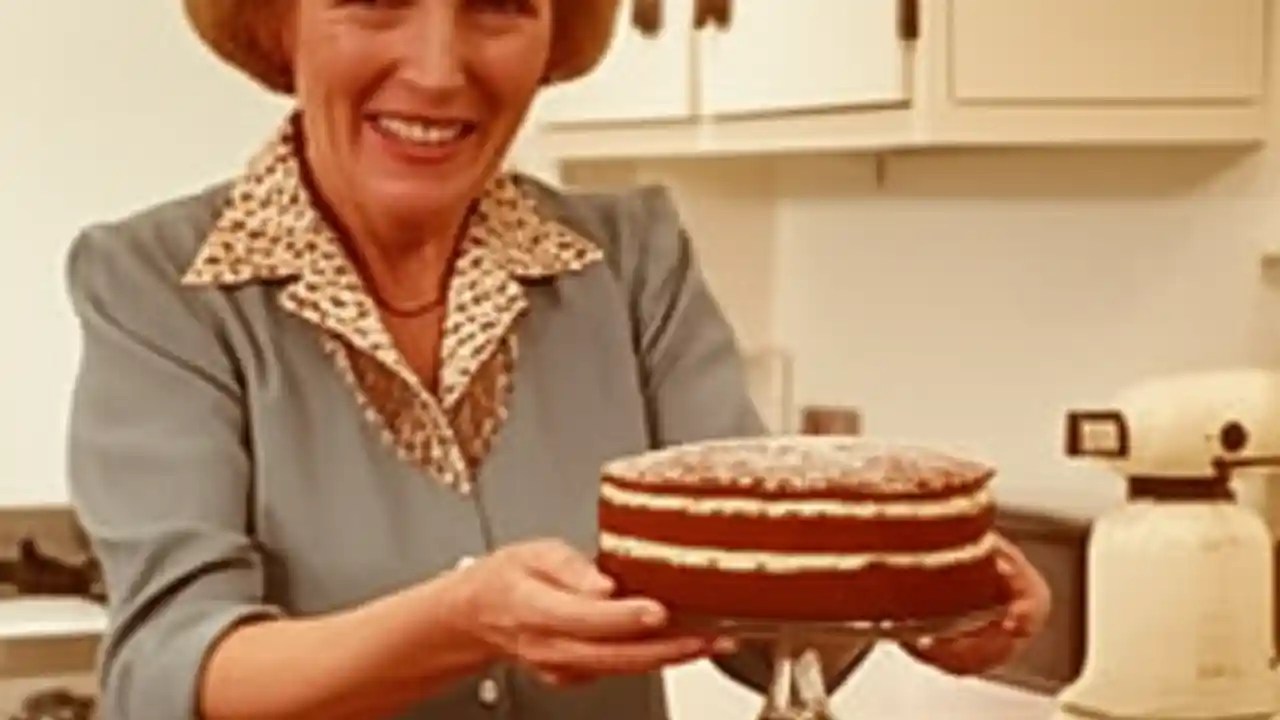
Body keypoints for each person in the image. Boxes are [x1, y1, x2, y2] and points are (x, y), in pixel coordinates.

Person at [63, 1, 1052, 718]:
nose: (439, 65)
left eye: (499, 3)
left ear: (551, 39)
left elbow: (759, 615)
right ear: (279, 23)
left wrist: (910, 610)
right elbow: (164, 676)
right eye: (375, 0)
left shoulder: (630, 262)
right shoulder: (157, 283)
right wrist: (462, 620)